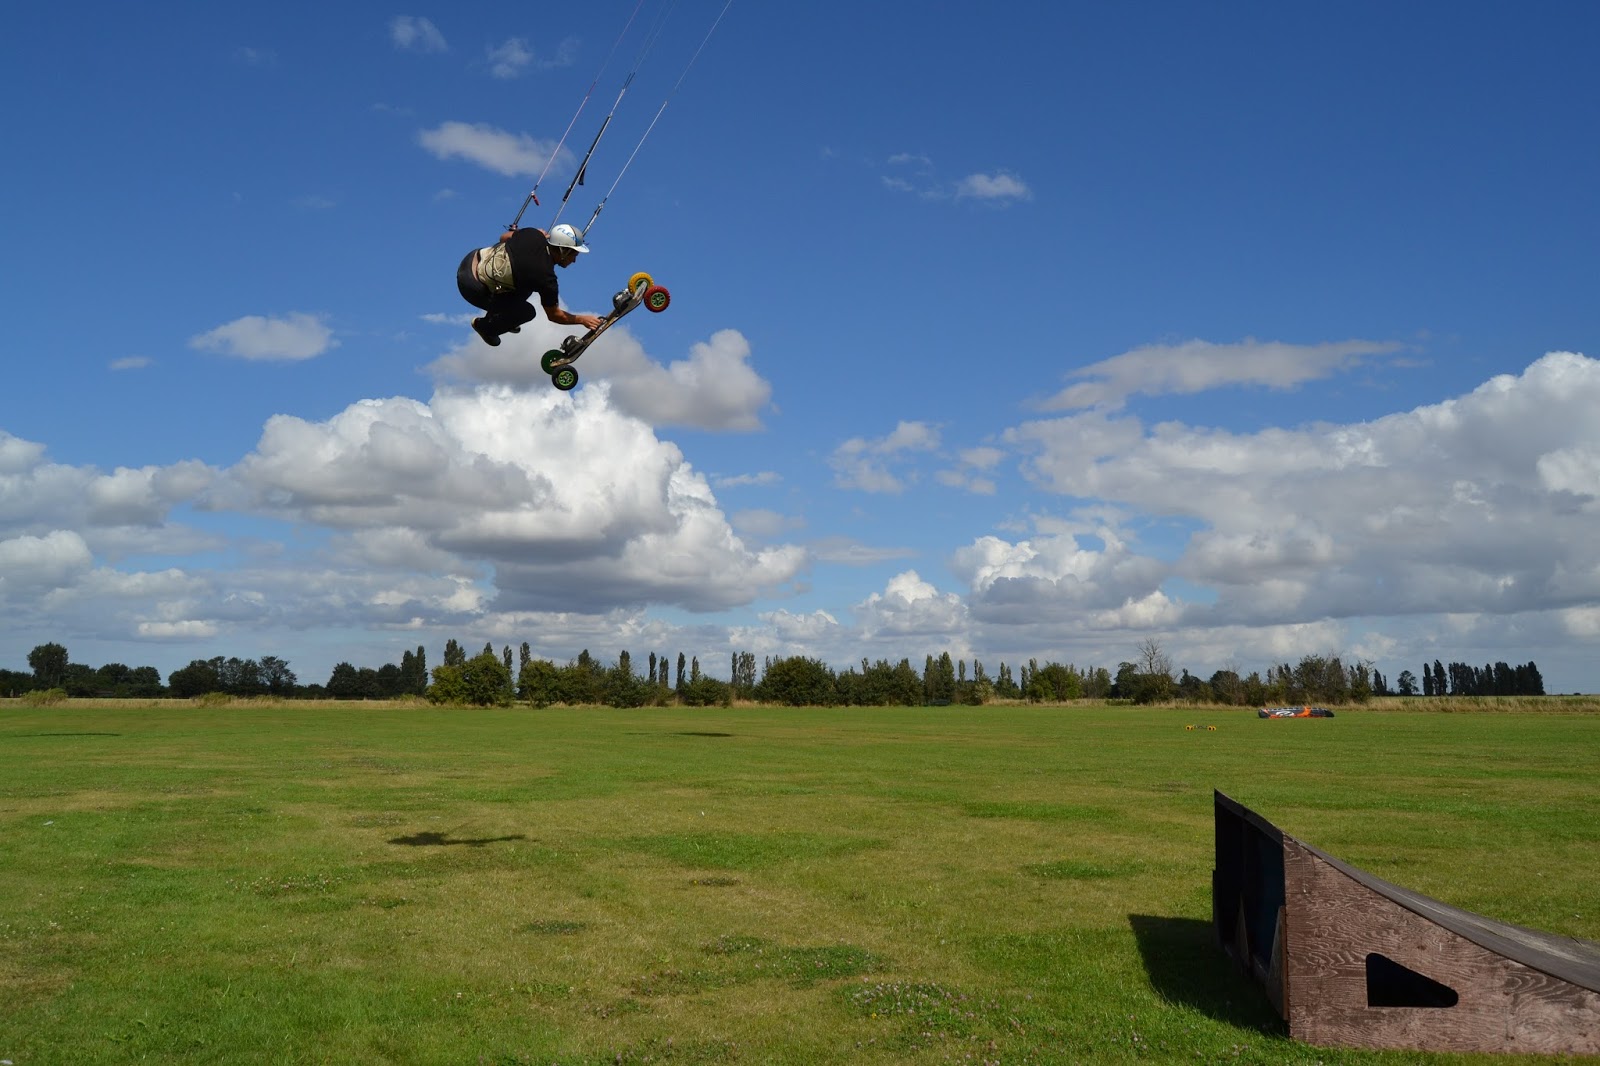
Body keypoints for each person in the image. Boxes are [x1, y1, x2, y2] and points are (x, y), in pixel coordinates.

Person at [456, 223, 604, 346]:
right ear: (562, 251)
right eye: (573, 255)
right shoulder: (546, 278)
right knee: (526, 312)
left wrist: (532, 237)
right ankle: (486, 328)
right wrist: (582, 320)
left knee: (523, 285)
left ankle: (503, 316)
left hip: (471, 259)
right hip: (470, 287)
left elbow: (503, 238)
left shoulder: (533, 234)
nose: (574, 261)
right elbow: (555, 316)